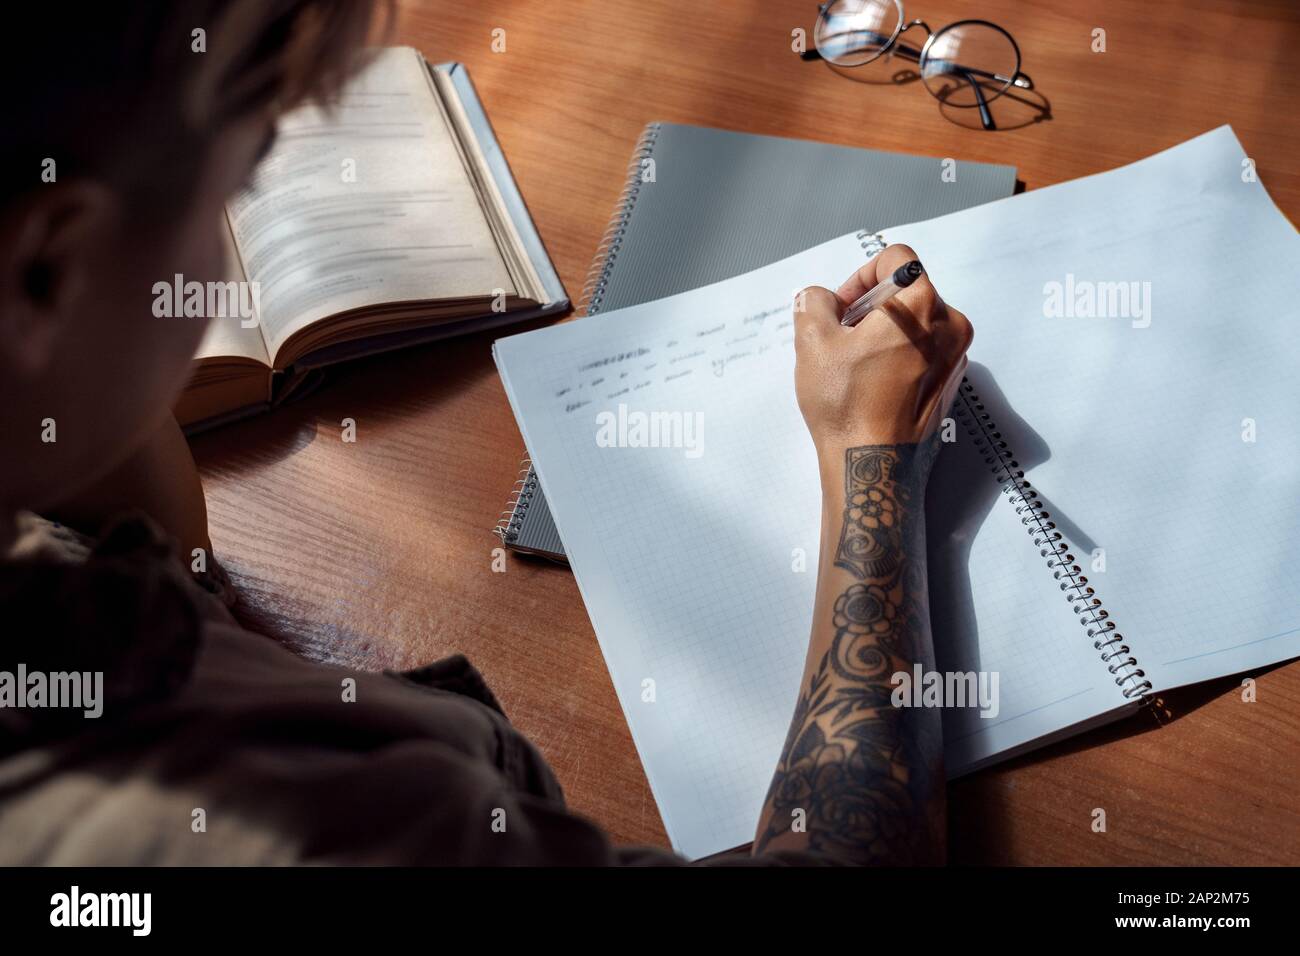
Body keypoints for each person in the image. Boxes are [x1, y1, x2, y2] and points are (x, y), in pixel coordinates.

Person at [0, 0, 971, 865]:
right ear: (50, 266)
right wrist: (865, 455)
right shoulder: (339, 819)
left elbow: (152, 549)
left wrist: (73, 342)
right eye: (234, 189)